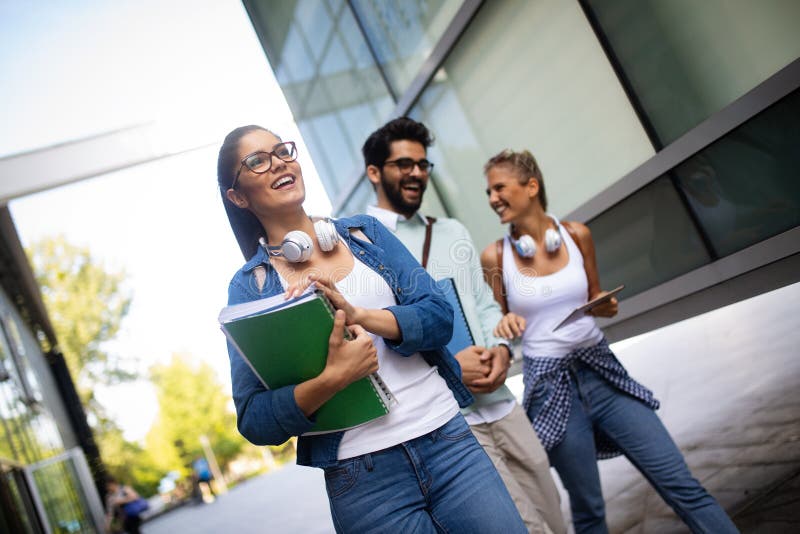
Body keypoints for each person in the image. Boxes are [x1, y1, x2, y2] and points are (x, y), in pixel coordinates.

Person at [218, 125, 526, 533]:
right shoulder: (249, 288)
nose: (279, 163)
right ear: (238, 196)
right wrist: (335, 378)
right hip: (363, 481)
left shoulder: (367, 234)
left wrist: (360, 315)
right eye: (258, 161)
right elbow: (255, 418)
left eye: (283, 151)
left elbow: (437, 316)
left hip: (448, 442)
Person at [479, 149, 739, 534]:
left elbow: (597, 300)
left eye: (499, 187)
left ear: (530, 186)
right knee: (589, 512)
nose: (492, 198)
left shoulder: (577, 235)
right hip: (552, 390)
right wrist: (505, 324)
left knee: (682, 485)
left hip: (602, 373)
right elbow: (497, 321)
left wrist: (605, 307)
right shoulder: (495, 256)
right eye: (488, 192)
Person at [361, 117, 566, 534]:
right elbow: (377, 341)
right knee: (524, 526)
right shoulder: (359, 247)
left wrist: (502, 351)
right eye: (404, 163)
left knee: (553, 513)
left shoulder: (452, 231)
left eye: (422, 164)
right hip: (449, 422)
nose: (417, 173)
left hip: (501, 401)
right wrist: (453, 366)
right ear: (374, 172)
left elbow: (484, 305)